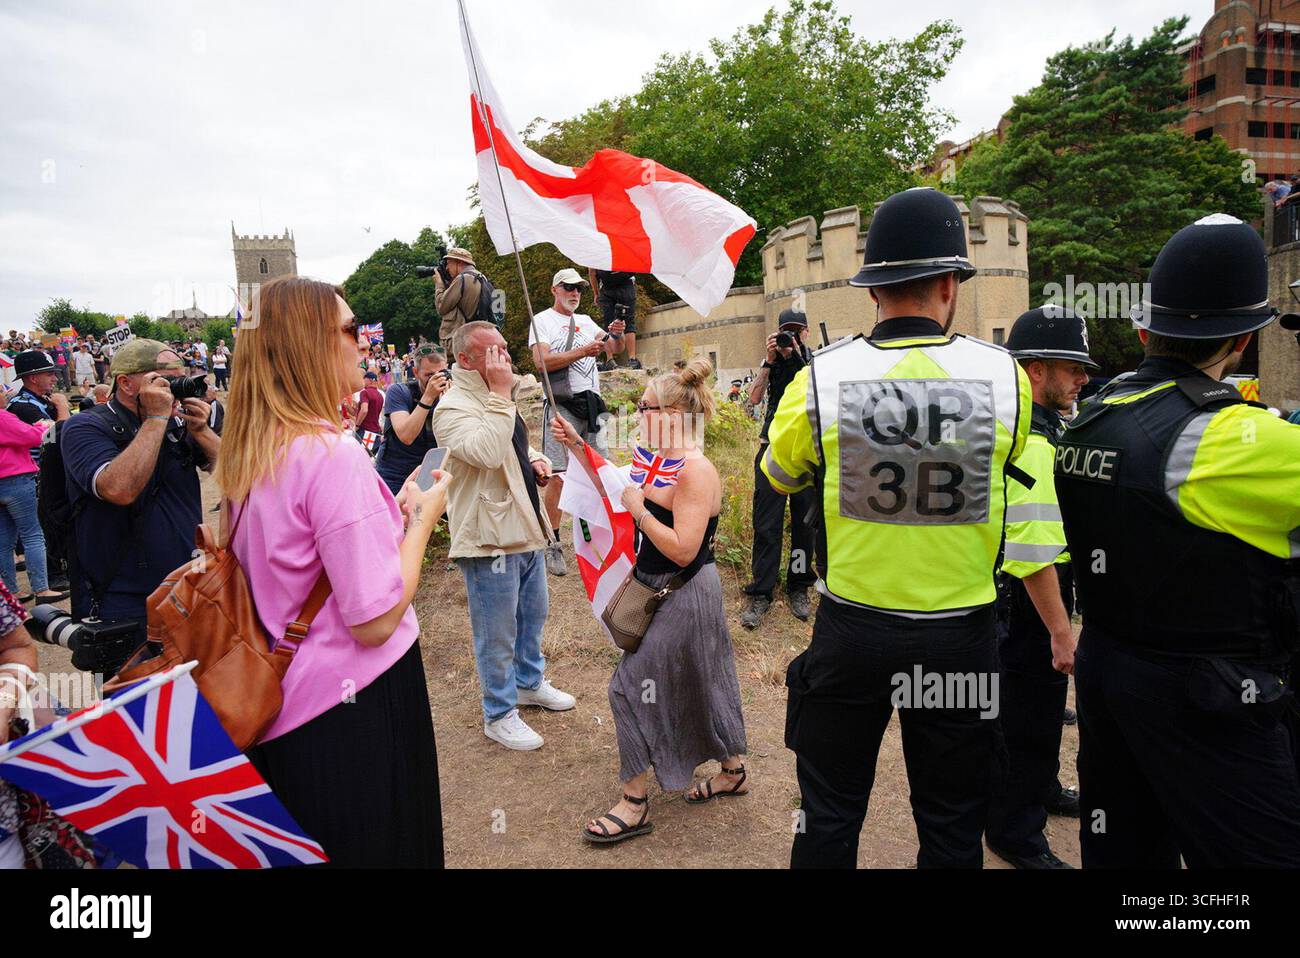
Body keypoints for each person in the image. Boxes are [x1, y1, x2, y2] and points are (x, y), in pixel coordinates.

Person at [764, 187, 1032, 868]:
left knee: (828, 815)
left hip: (853, 632)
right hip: (961, 635)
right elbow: (1010, 467)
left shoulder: (823, 376)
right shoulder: (1005, 375)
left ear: (874, 290)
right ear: (950, 283)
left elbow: (778, 475)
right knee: (950, 822)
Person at [1056, 215, 1300, 868]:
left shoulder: (1094, 417)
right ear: (1244, 339)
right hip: (1213, 693)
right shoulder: (1243, 441)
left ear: (1143, 330)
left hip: (1109, 671)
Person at [215, 276, 449, 867]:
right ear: (306, 343)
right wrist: (422, 522)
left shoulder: (258, 449)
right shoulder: (331, 452)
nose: (363, 341)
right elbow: (373, 619)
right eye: (350, 329)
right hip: (355, 707)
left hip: (284, 712)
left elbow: (301, 568)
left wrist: (388, 519)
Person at [552, 358, 748, 844]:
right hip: (661, 588)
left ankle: (634, 803)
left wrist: (638, 509)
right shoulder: (659, 459)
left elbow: (682, 546)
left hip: (686, 590)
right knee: (702, 676)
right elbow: (615, 487)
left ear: (674, 413)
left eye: (646, 407)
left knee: (628, 687)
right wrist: (578, 448)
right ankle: (733, 769)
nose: (637, 414)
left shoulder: (695, 470)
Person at [984, 305, 1096, 870]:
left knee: (1045, 708)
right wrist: (1060, 631)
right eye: (1071, 366)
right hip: (1026, 601)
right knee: (1024, 716)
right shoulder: (1027, 435)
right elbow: (1030, 552)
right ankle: (1014, 831)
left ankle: (1043, 788)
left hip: (1044, 587)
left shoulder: (1044, 425)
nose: (1082, 377)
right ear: (1033, 370)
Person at [430, 321, 576, 751]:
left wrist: (533, 459)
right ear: (465, 360)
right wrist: (498, 393)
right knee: (497, 632)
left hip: (525, 525)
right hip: (489, 536)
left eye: (504, 350)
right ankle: (498, 712)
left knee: (533, 616)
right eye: (492, 352)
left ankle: (529, 683)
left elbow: (511, 445)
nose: (505, 358)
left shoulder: (495, 398)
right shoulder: (451, 407)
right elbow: (486, 451)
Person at [59, 339, 220, 625]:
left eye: (178, 380)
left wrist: (202, 431)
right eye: (163, 381)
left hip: (188, 580)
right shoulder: (84, 426)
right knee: (137, 671)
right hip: (124, 595)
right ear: (126, 383)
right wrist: (156, 417)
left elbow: (235, 476)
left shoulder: (178, 424)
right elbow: (119, 490)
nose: (175, 389)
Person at [528, 268, 624, 576]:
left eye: (580, 289)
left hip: (593, 405)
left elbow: (613, 349)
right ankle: (553, 543)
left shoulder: (585, 321)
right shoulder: (541, 320)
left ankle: (603, 537)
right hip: (561, 405)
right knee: (557, 476)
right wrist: (582, 351)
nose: (575, 293)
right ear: (554, 289)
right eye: (568, 288)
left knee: (601, 473)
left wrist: (616, 334)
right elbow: (540, 362)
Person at [740, 307, 817, 629]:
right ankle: (762, 592)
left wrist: (798, 355)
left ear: (806, 333)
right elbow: (752, 401)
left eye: (797, 331)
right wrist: (769, 362)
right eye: (786, 331)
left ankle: (798, 585)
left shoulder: (816, 362)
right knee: (766, 524)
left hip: (806, 451)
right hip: (770, 447)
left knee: (804, 525)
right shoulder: (771, 361)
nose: (791, 337)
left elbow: (815, 390)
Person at [0, 391, 67, 604]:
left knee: (4, 541)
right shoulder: (3, 417)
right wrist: (44, 425)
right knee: (33, 535)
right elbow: (36, 437)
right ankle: (41, 589)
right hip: (16, 479)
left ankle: (11, 591)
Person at [374, 347, 451, 496]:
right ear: (415, 372)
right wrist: (428, 397)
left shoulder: (453, 393)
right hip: (396, 475)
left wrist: (451, 401)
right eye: (429, 375)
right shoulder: (399, 391)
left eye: (441, 373)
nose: (436, 379)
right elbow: (406, 436)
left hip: (431, 472)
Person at [433, 247, 485, 354]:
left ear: (459, 262)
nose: (446, 268)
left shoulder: (462, 279)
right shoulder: (480, 277)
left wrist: (439, 284)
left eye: (449, 263)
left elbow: (441, 307)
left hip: (463, 341)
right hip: (477, 336)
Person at [588, 268, 640, 370]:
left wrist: (596, 293)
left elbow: (592, 272)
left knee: (609, 324)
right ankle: (632, 359)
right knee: (628, 320)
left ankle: (610, 360)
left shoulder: (596, 252)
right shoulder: (623, 251)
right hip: (626, 284)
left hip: (607, 288)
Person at [355, 371, 384, 454]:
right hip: (375, 430)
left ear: (370, 380)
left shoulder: (364, 392)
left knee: (362, 457)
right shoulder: (380, 395)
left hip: (365, 431)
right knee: (371, 458)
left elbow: (364, 410)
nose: (363, 382)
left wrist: (357, 425)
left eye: (364, 379)